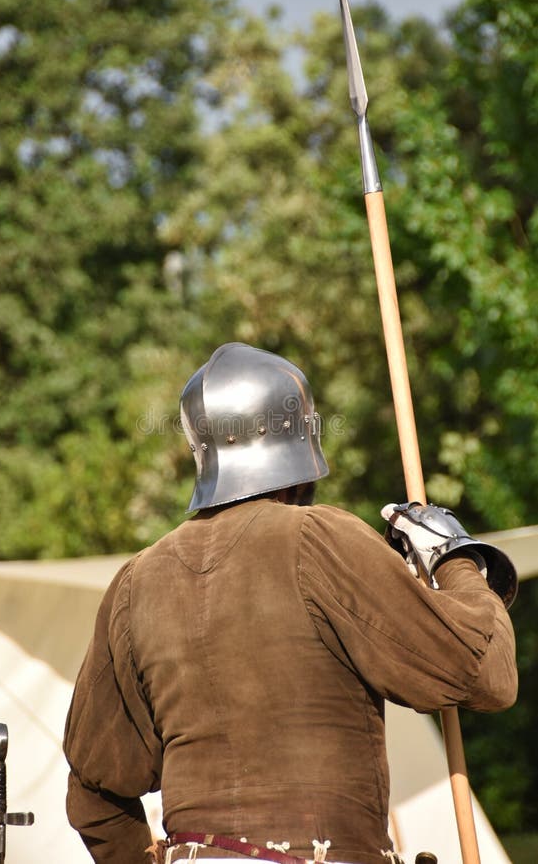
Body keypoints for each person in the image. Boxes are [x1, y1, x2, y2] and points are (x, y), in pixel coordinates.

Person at [63, 342, 518, 864]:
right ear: (301, 440)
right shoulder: (321, 539)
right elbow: (483, 670)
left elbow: (93, 792)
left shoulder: (135, 581)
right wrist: (453, 557)